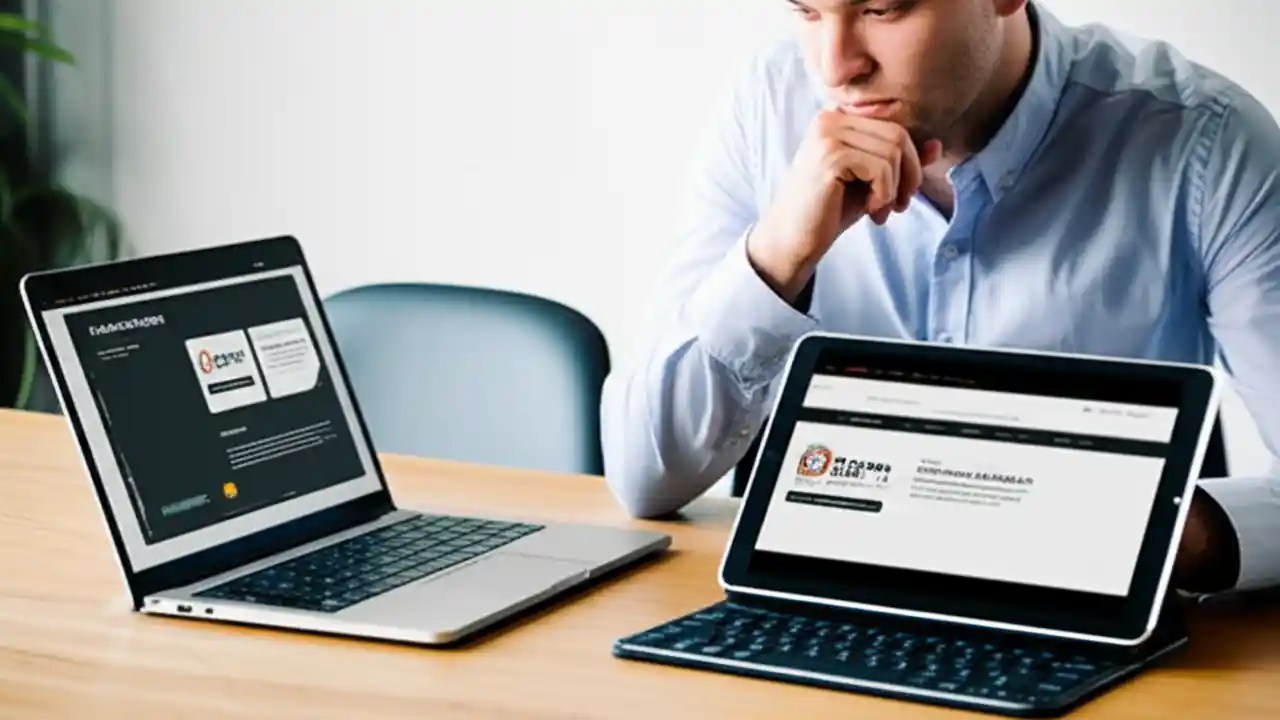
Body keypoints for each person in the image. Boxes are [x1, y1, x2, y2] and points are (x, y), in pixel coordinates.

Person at [599, 0, 1280, 595]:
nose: (836, 68)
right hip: (817, 618)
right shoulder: (766, 109)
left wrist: (1176, 531)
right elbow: (644, 474)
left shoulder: (1206, 147)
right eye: (806, 9)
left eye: (882, 9)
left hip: (1073, 630)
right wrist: (778, 254)